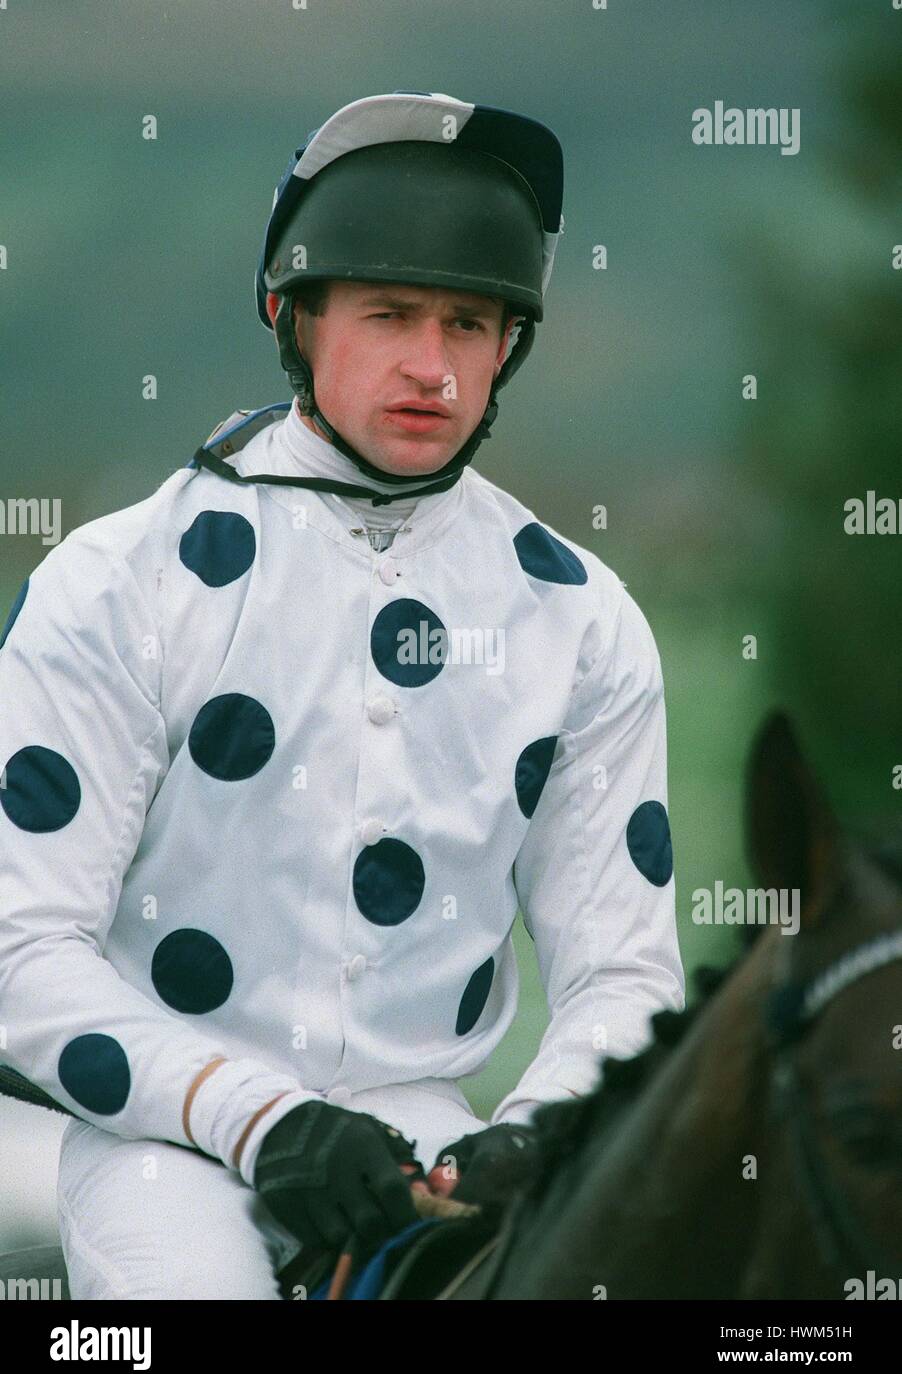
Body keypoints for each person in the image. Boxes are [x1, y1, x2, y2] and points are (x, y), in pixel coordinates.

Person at [0, 91, 685, 1299]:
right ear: (293, 315)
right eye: (388, 314)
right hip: (156, 1143)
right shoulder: (115, 583)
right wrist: (262, 1119)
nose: (432, 365)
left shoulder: (584, 619)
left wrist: (529, 1138)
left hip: (424, 1128)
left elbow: (623, 981)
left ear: (507, 347)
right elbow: (20, 950)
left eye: (469, 324)